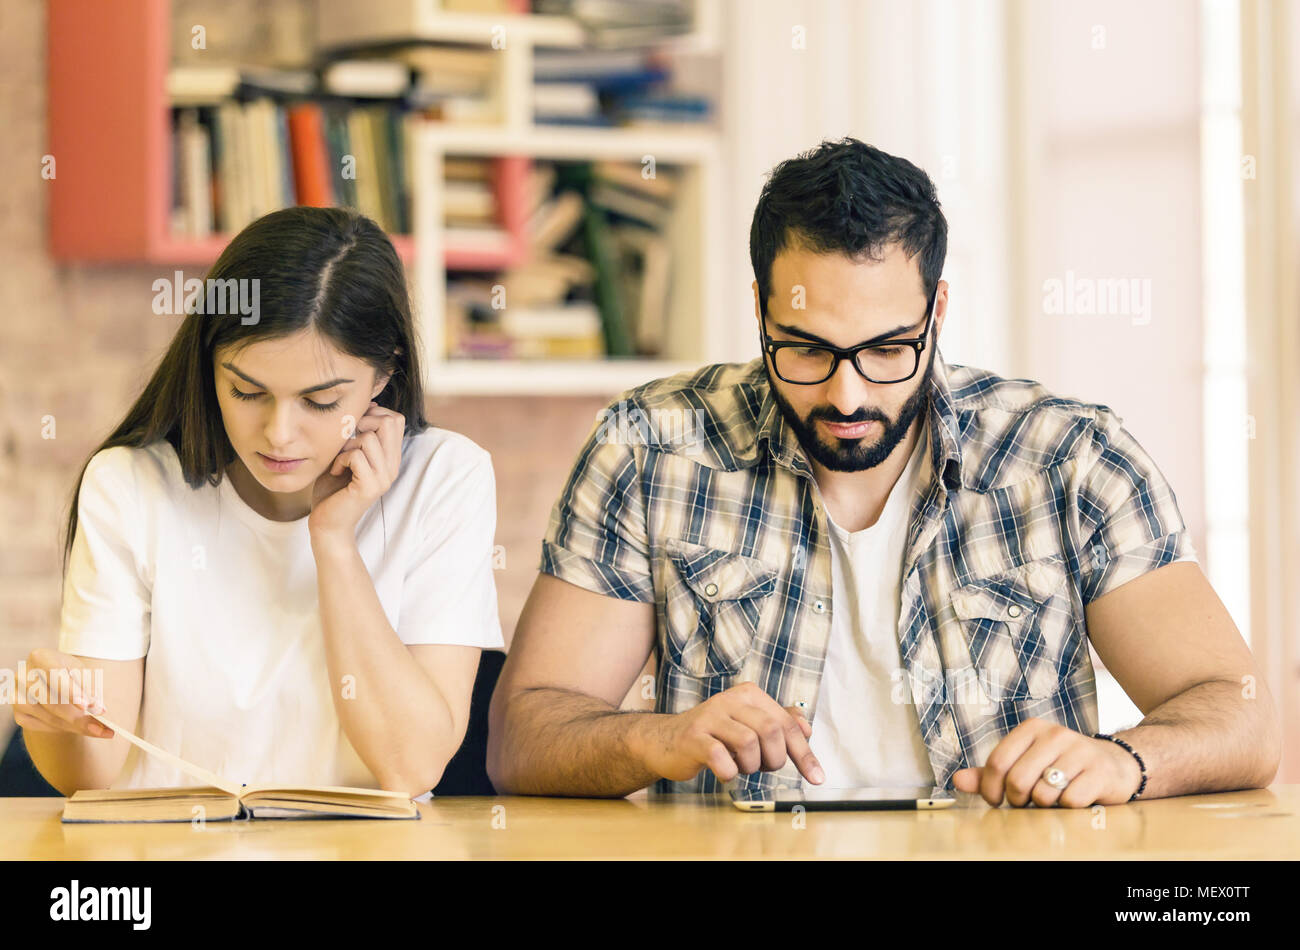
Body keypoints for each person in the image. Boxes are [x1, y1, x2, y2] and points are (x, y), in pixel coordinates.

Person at [487, 137, 1280, 808]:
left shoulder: (1069, 459)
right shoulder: (648, 447)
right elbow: (522, 739)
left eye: (887, 350)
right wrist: (655, 740)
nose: (847, 393)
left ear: (936, 313)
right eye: (805, 348)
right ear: (760, 307)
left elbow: (1240, 715)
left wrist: (1127, 761)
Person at [13, 207, 503, 797]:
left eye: (320, 402)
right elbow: (90, 775)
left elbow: (411, 767)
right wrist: (49, 719)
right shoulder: (130, 486)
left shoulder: (445, 478)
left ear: (383, 375)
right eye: (246, 391)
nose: (278, 433)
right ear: (208, 365)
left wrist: (333, 541)